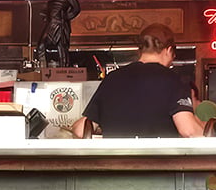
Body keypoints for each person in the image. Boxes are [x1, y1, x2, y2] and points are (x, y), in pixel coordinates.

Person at [71, 23, 203, 138]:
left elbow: (80, 130)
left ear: (140, 51)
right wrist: (209, 133)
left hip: (115, 163)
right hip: (159, 163)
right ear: (168, 50)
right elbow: (188, 130)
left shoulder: (112, 79)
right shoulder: (175, 81)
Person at [36, 0, 80, 68]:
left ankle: (63, 68)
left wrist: (65, 17)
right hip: (50, 24)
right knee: (41, 46)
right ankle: (43, 68)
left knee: (61, 48)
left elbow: (76, 9)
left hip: (60, 25)